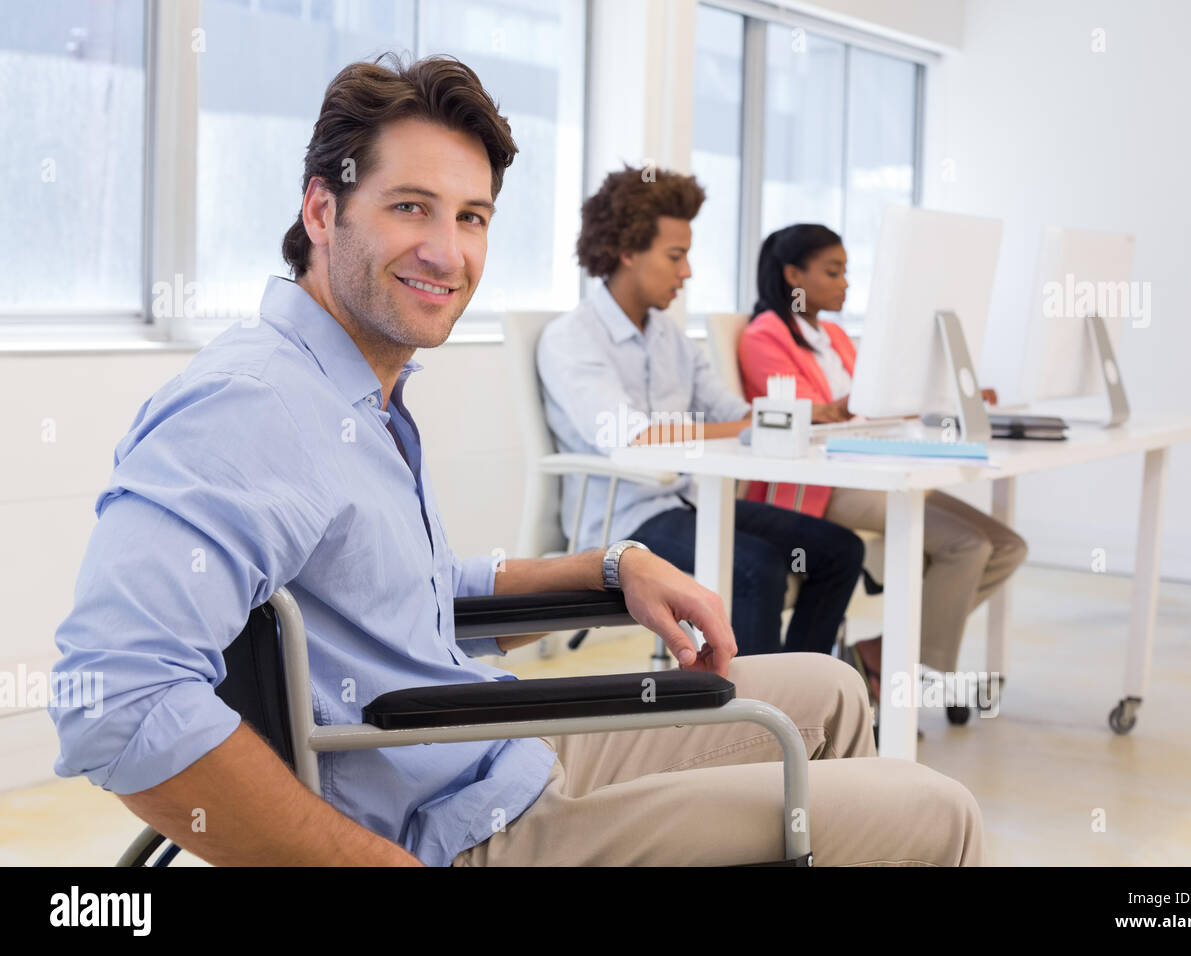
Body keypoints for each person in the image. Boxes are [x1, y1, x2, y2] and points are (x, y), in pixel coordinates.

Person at [47, 57, 983, 867]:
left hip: (499, 746)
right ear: (322, 209)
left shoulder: (355, 393)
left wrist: (610, 566)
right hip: (462, 824)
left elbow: (398, 598)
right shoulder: (255, 403)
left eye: (473, 216)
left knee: (822, 692)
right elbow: (116, 697)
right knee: (939, 814)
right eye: (411, 206)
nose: (448, 251)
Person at [537, 168, 868, 658]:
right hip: (625, 523)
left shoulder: (672, 337)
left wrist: (804, 414)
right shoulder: (573, 339)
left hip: (690, 502)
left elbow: (732, 410)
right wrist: (748, 426)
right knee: (757, 566)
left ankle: (798, 695)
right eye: (676, 256)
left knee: (840, 550)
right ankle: (755, 719)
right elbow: (633, 439)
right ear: (628, 251)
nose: (687, 271)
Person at [738, 223, 1028, 703]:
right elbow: (811, 419)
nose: (846, 283)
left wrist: (949, 399)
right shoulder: (763, 335)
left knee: (1005, 545)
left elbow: (876, 403)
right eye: (833, 271)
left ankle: (885, 654)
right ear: (793, 273)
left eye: (846, 272)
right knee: (966, 546)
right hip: (823, 484)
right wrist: (854, 406)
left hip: (875, 469)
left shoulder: (834, 335)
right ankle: (910, 683)